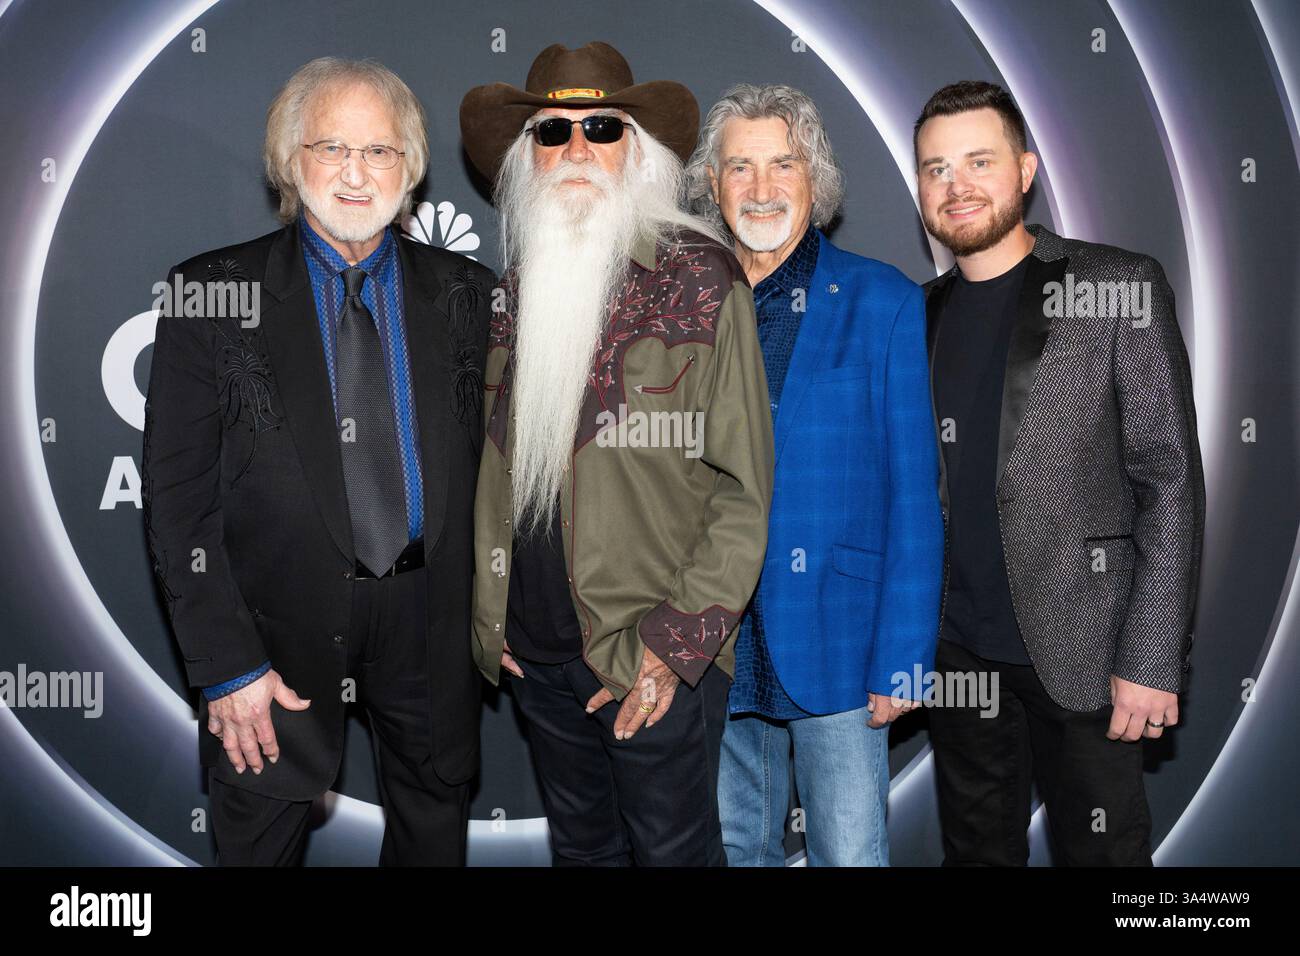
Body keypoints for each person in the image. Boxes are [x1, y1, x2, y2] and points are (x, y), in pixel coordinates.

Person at [142, 57, 495, 865]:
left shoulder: (473, 295)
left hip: (432, 625)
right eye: (331, 147)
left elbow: (509, 470)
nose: (355, 173)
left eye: (379, 151)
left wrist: (508, 610)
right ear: (288, 160)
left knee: (433, 846)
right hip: (273, 634)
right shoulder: (210, 294)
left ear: (410, 168)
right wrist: (228, 668)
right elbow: (177, 500)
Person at [459, 41, 774, 865]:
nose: (575, 148)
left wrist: (670, 650)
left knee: (674, 854)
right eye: (551, 131)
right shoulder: (513, 290)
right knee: (583, 853)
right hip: (536, 655)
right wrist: (491, 608)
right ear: (526, 155)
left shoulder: (703, 278)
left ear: (638, 150)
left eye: (601, 128)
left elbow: (743, 493)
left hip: (646, 651)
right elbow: (498, 465)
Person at [914, 80, 1205, 865]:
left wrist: (1150, 658)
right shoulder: (916, 314)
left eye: (979, 161)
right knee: (976, 855)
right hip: (958, 657)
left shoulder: (1115, 286)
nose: (956, 184)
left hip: (1090, 651)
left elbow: (1169, 479)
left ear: (1025, 170)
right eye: (936, 169)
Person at [685, 84, 943, 867]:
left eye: (783, 164)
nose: (761, 187)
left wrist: (903, 656)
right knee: (732, 851)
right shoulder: (686, 303)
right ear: (713, 185)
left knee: (849, 853)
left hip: (841, 638)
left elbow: (915, 495)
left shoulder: (883, 300)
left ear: (815, 178)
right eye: (740, 167)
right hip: (713, 640)